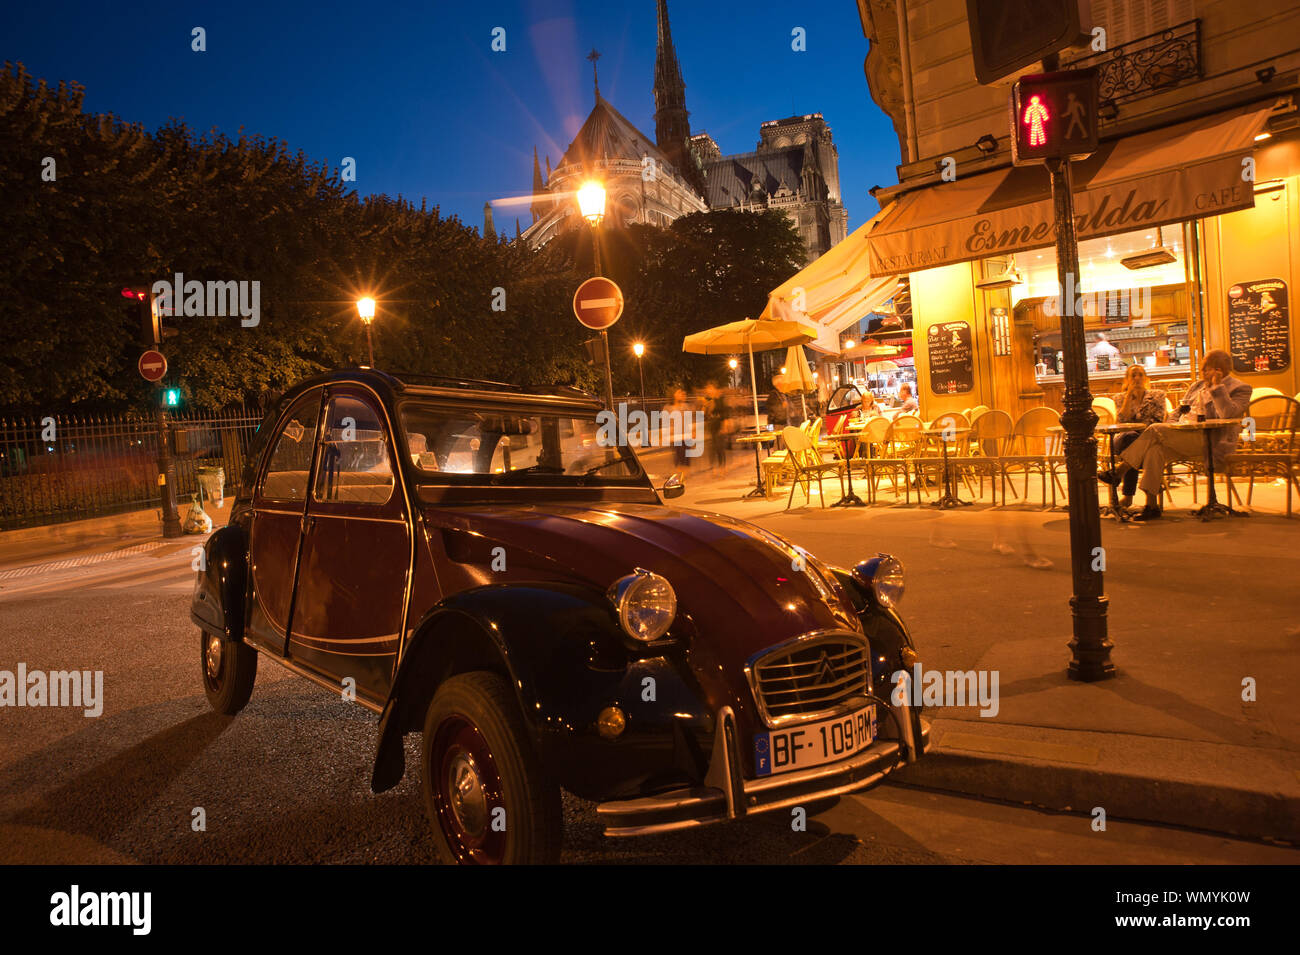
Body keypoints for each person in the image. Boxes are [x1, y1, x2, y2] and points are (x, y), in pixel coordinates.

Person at [1098, 349, 1251, 521]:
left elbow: (1228, 414)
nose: (1202, 373)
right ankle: (1152, 505)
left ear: (1219, 369)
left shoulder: (1240, 388)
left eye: (1205, 369)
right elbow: (1178, 411)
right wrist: (1170, 428)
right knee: (1154, 449)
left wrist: (1217, 388)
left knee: (1156, 429)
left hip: (1210, 439)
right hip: (1183, 434)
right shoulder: (1197, 386)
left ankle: (1119, 471)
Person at [1109, 364, 1167, 509]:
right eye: (1133, 375)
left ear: (1146, 378)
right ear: (1127, 380)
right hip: (1124, 439)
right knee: (1131, 438)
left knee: (1138, 448)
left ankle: (1127, 495)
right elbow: (1122, 421)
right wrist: (1129, 396)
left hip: (1146, 441)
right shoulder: (1120, 398)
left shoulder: (1157, 395)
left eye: (1140, 375)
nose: (1137, 378)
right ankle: (1148, 501)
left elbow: (1158, 420)